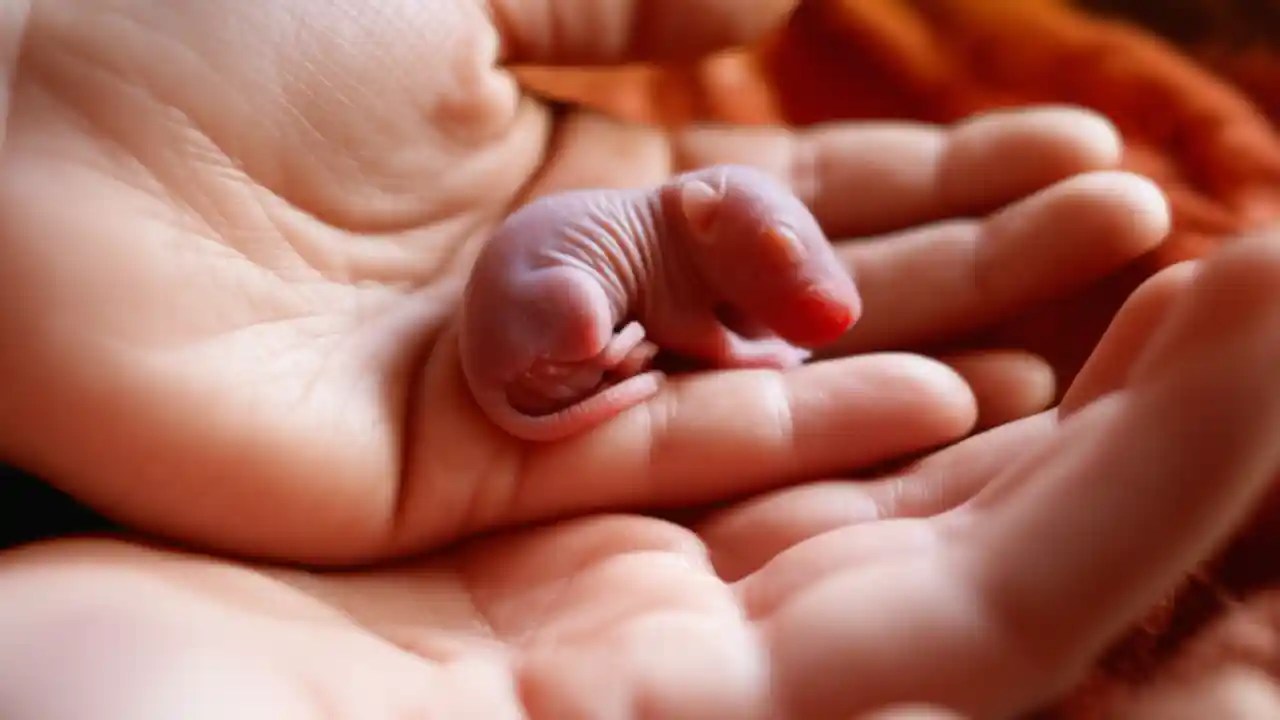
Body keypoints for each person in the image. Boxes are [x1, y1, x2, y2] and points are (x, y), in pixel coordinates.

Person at [0, 2, 1277, 717]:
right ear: (713, 230)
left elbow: (725, 312)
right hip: (542, 319)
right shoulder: (650, 240)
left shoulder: (683, 241)